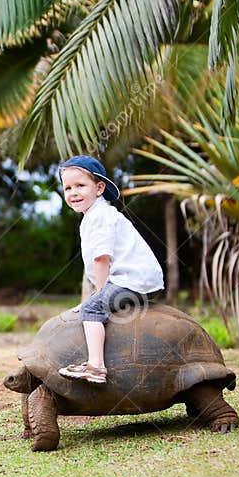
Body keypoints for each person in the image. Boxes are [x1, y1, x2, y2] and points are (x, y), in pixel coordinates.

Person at [56, 156, 163, 384]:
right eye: (68, 188)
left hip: (133, 281)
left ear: (99, 188)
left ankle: (95, 366)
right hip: (132, 281)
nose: (73, 192)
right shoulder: (93, 216)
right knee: (92, 304)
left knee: (92, 310)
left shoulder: (101, 216)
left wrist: (98, 295)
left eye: (80, 186)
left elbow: (102, 258)